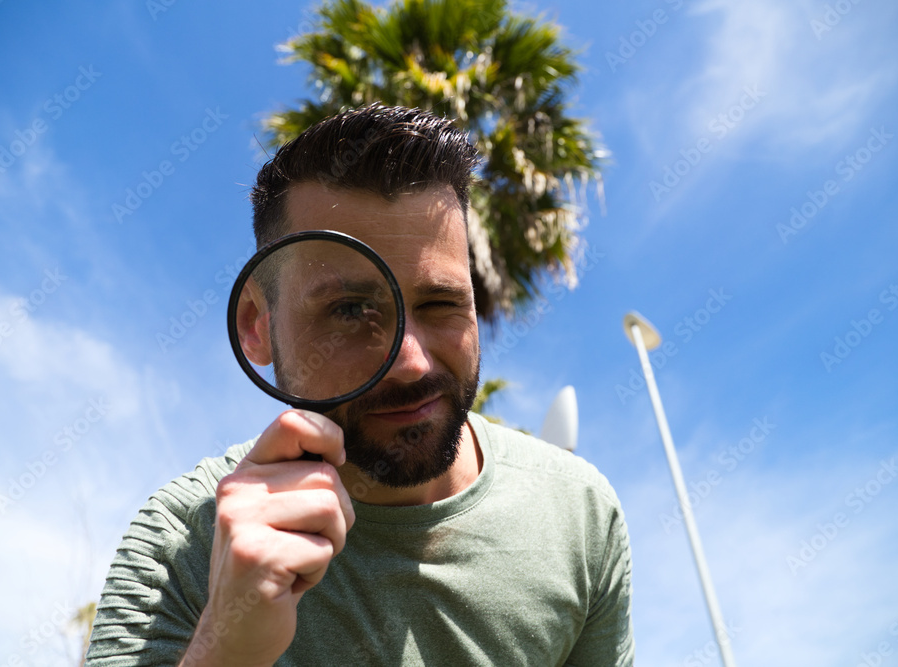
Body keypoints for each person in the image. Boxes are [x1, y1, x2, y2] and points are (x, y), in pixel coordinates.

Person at [86, 104, 634, 666]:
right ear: (256, 325)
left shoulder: (580, 513)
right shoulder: (180, 543)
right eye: (350, 310)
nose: (412, 364)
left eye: (442, 304)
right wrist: (226, 648)